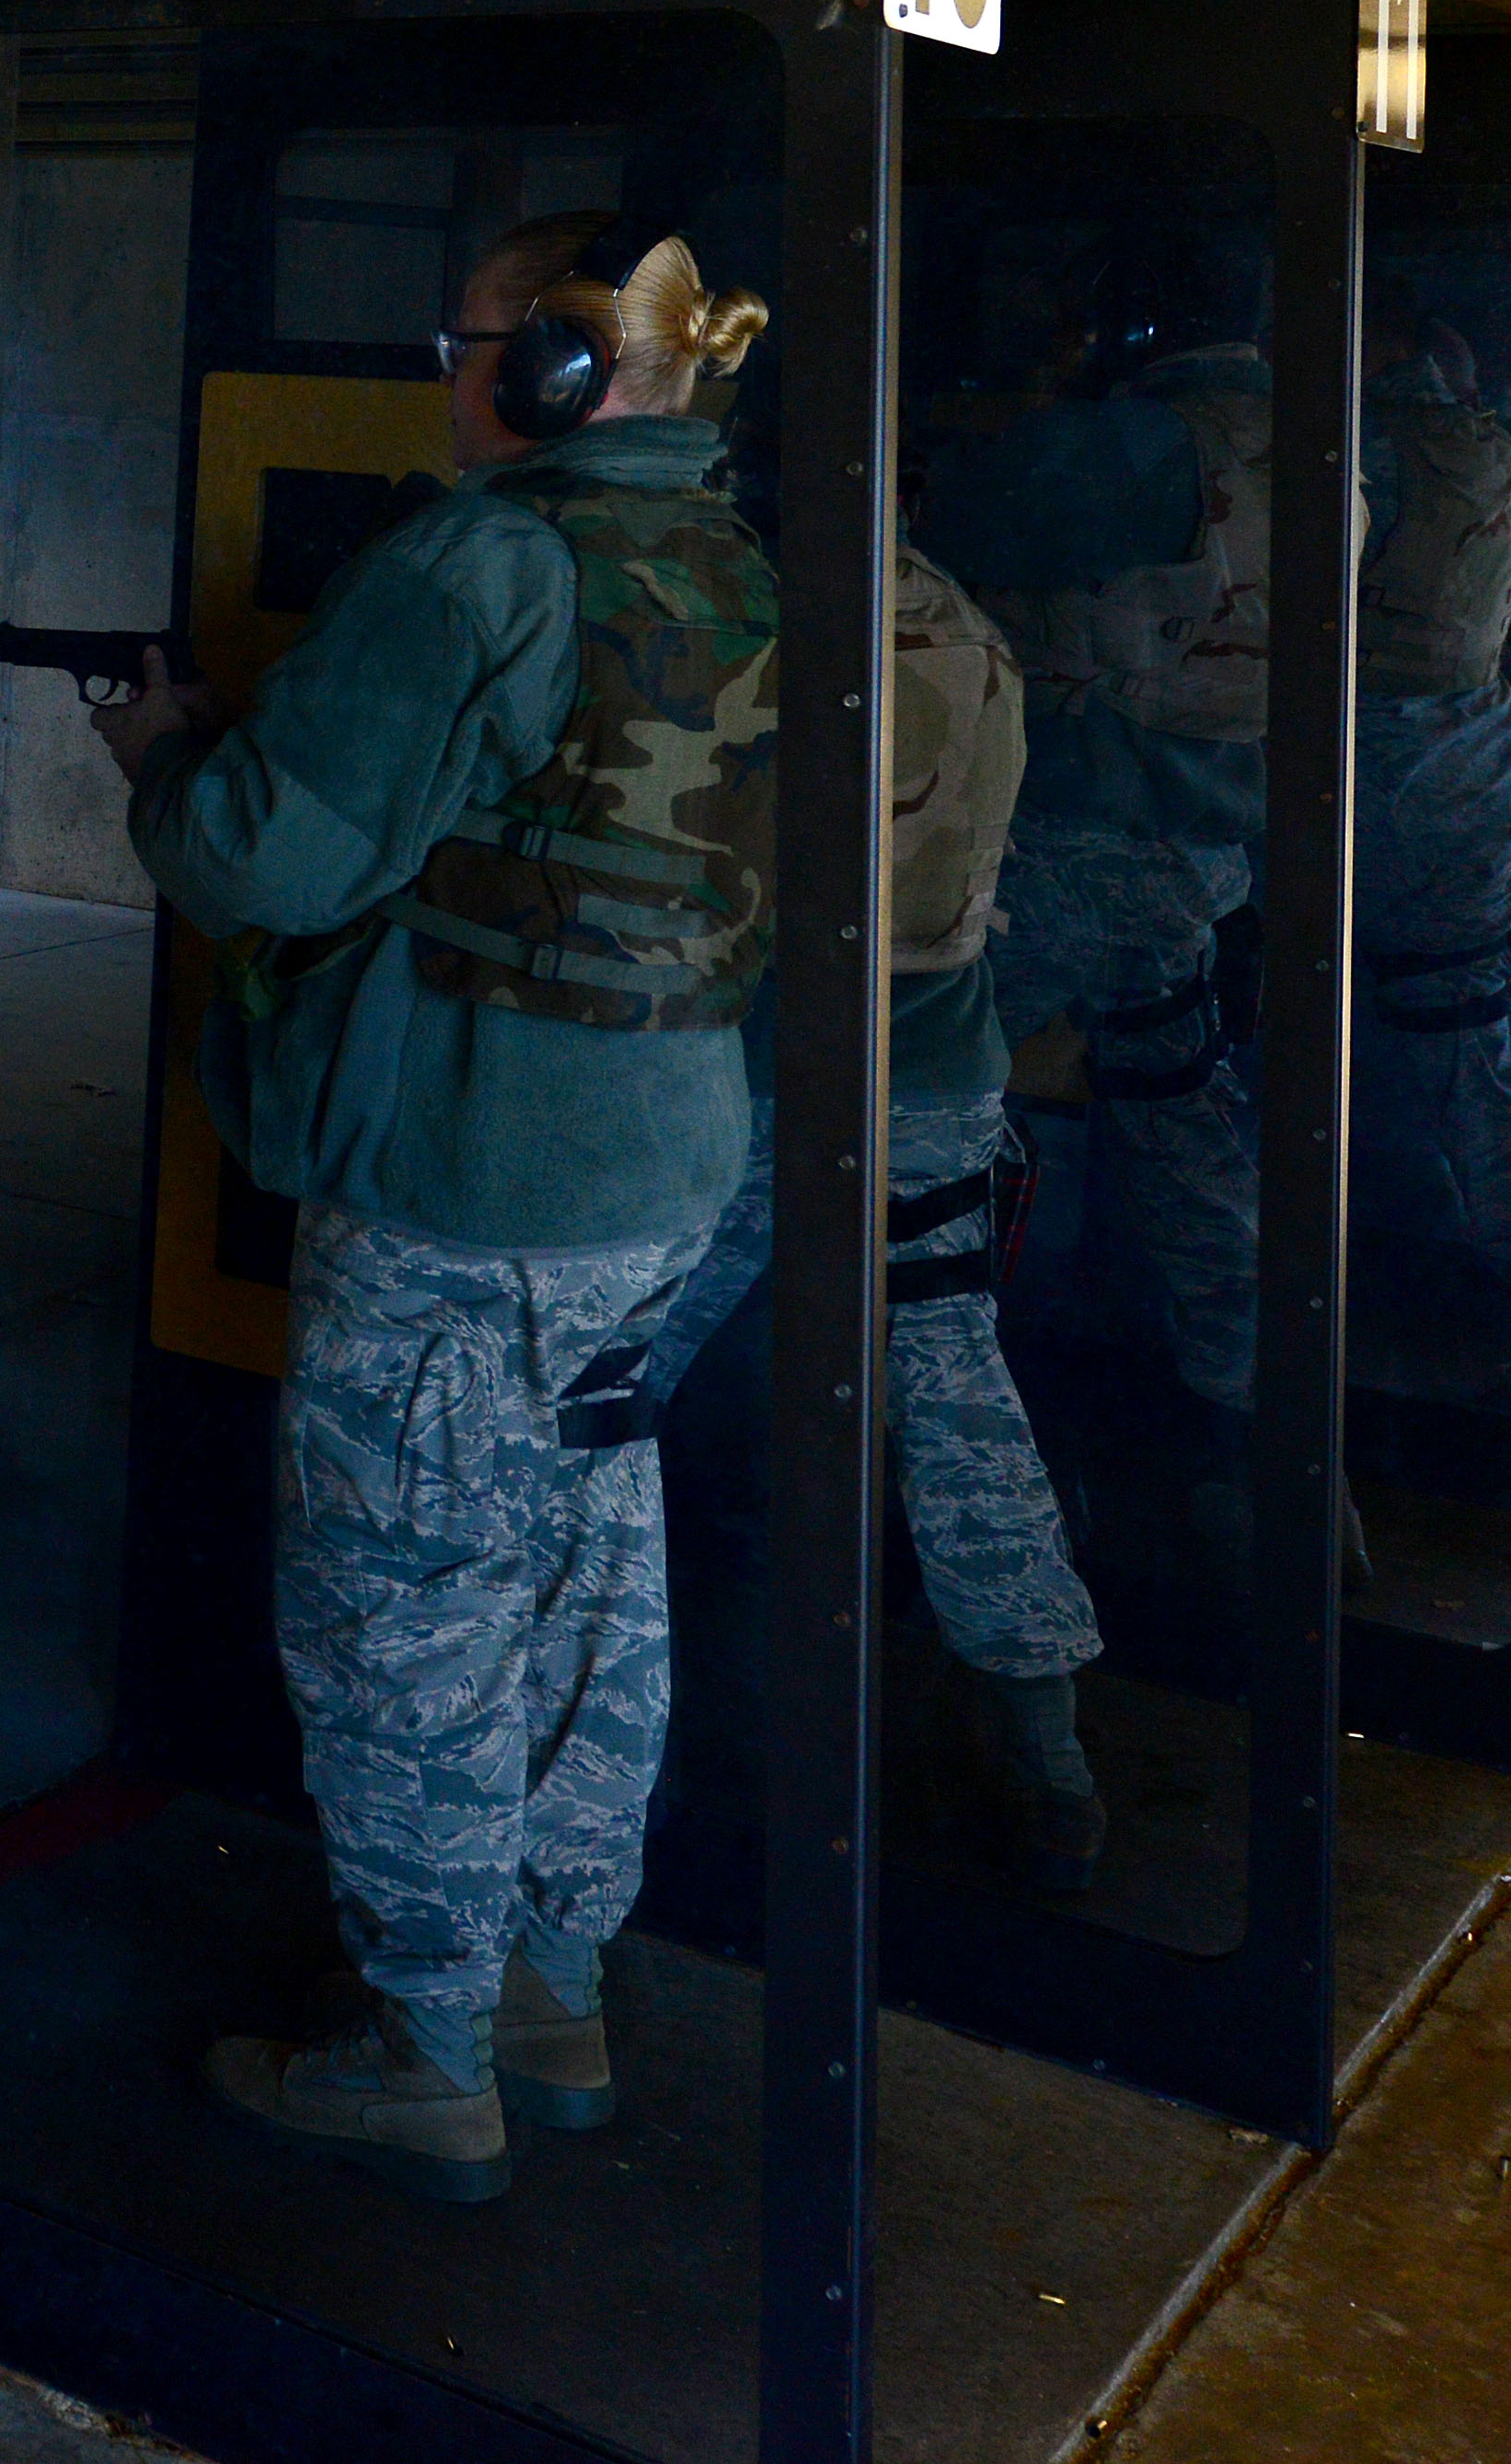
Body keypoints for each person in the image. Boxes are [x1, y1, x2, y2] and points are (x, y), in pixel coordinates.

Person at [88, 211, 778, 2204]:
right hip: (663, 1182)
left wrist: (161, 762)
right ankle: (549, 1985)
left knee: (407, 1615)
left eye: (461, 337)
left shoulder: (480, 556)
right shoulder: (731, 559)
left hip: (471, 1185)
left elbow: (270, 864)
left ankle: (420, 2046)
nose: (441, 371)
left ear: (556, 367)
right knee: (582, 1573)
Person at [626, 534, 1108, 1885]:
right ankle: (1044, 1744)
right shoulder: (966, 622)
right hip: (937, 1064)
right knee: (951, 1376)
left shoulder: (733, 623)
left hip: (754, 1062)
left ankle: (598, 1782)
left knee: (611, 1380)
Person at [919, 227, 1279, 1455]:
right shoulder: (1323, 442)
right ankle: (1258, 1431)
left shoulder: (1142, 443)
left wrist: (1029, 403)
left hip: (1080, 833)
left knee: (897, 1091)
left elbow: (952, 516)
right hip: (1209, 847)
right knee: (1182, 1123)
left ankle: (922, 1410)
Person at [1347, 305, 1511, 1394]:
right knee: (1470, 1046)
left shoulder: (1367, 451)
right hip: (1474, 752)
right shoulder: (1490, 452)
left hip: (1372, 755)